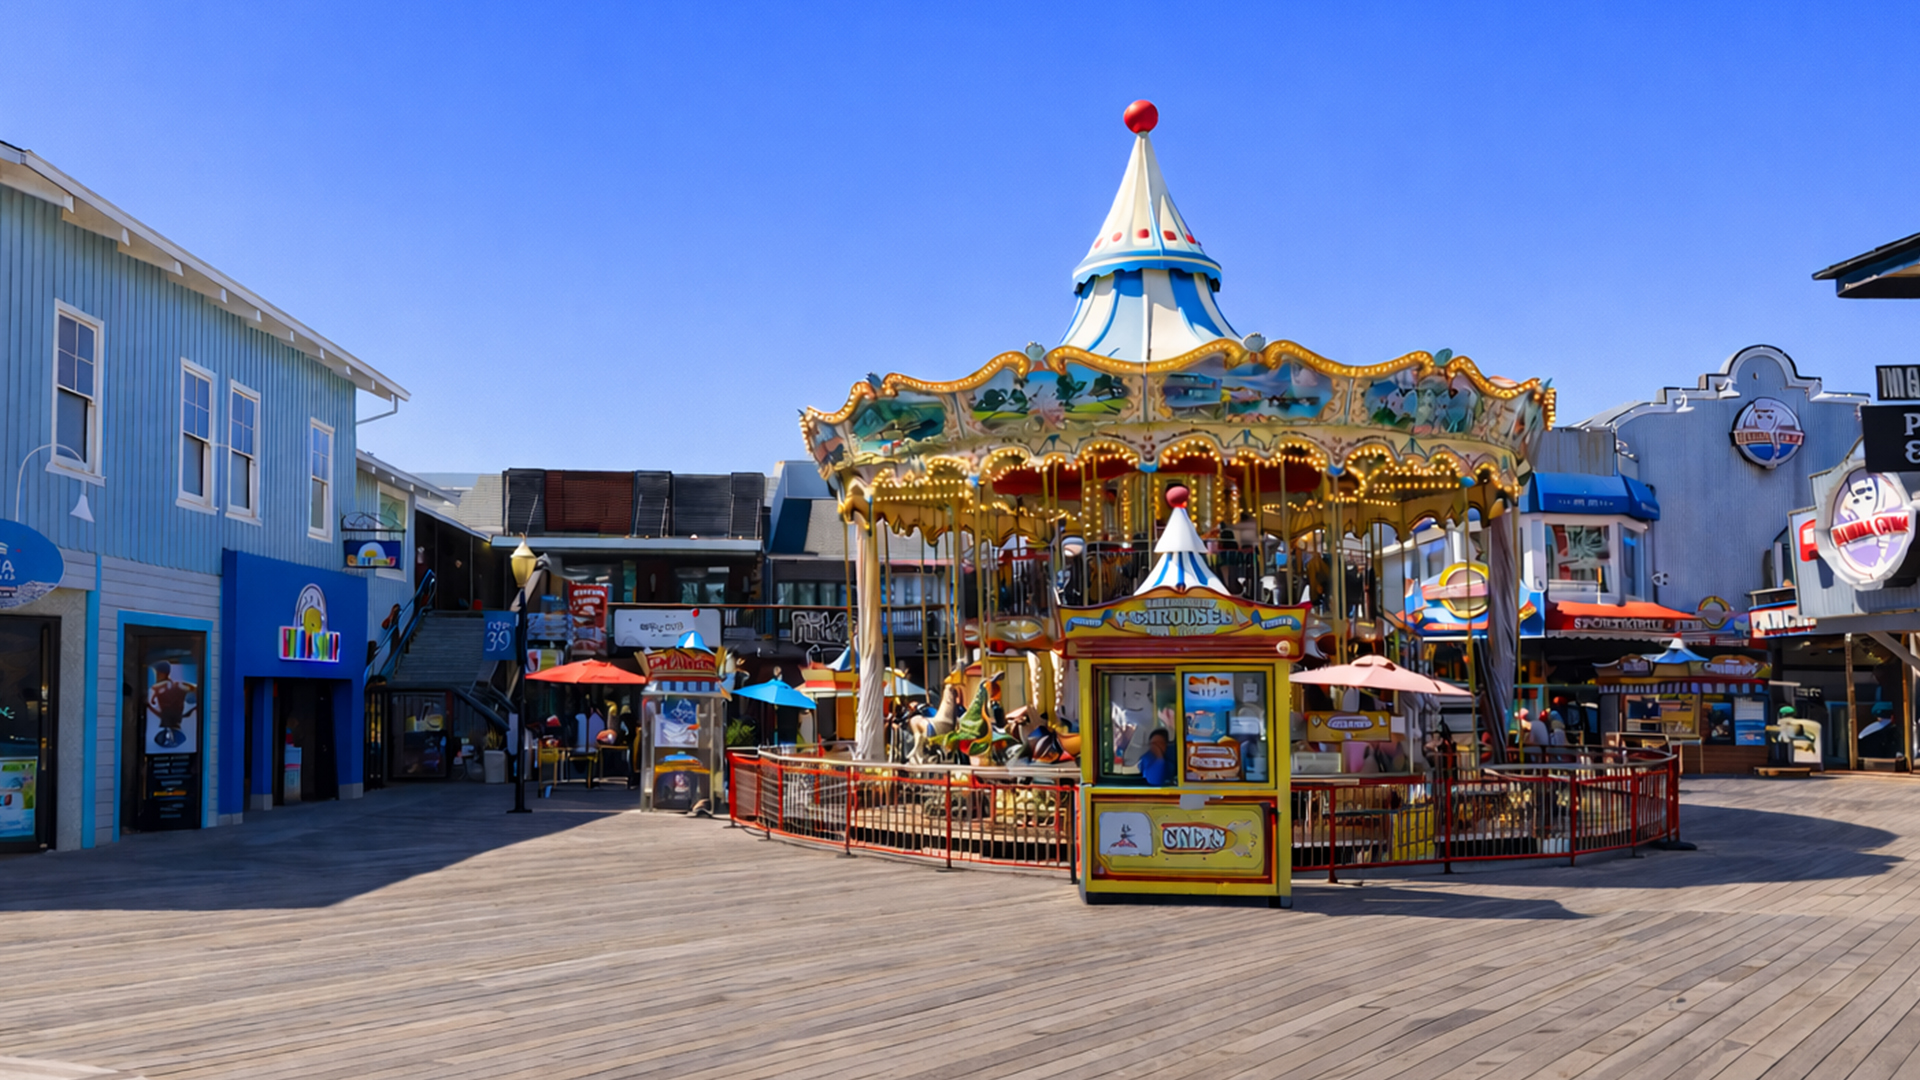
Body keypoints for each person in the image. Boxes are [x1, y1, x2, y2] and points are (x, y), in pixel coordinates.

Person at [147, 661, 199, 749]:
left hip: (166, 725)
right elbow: (197, 689)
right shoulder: (179, 685)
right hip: (177, 723)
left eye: (156, 673)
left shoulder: (155, 688)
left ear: (160, 673)